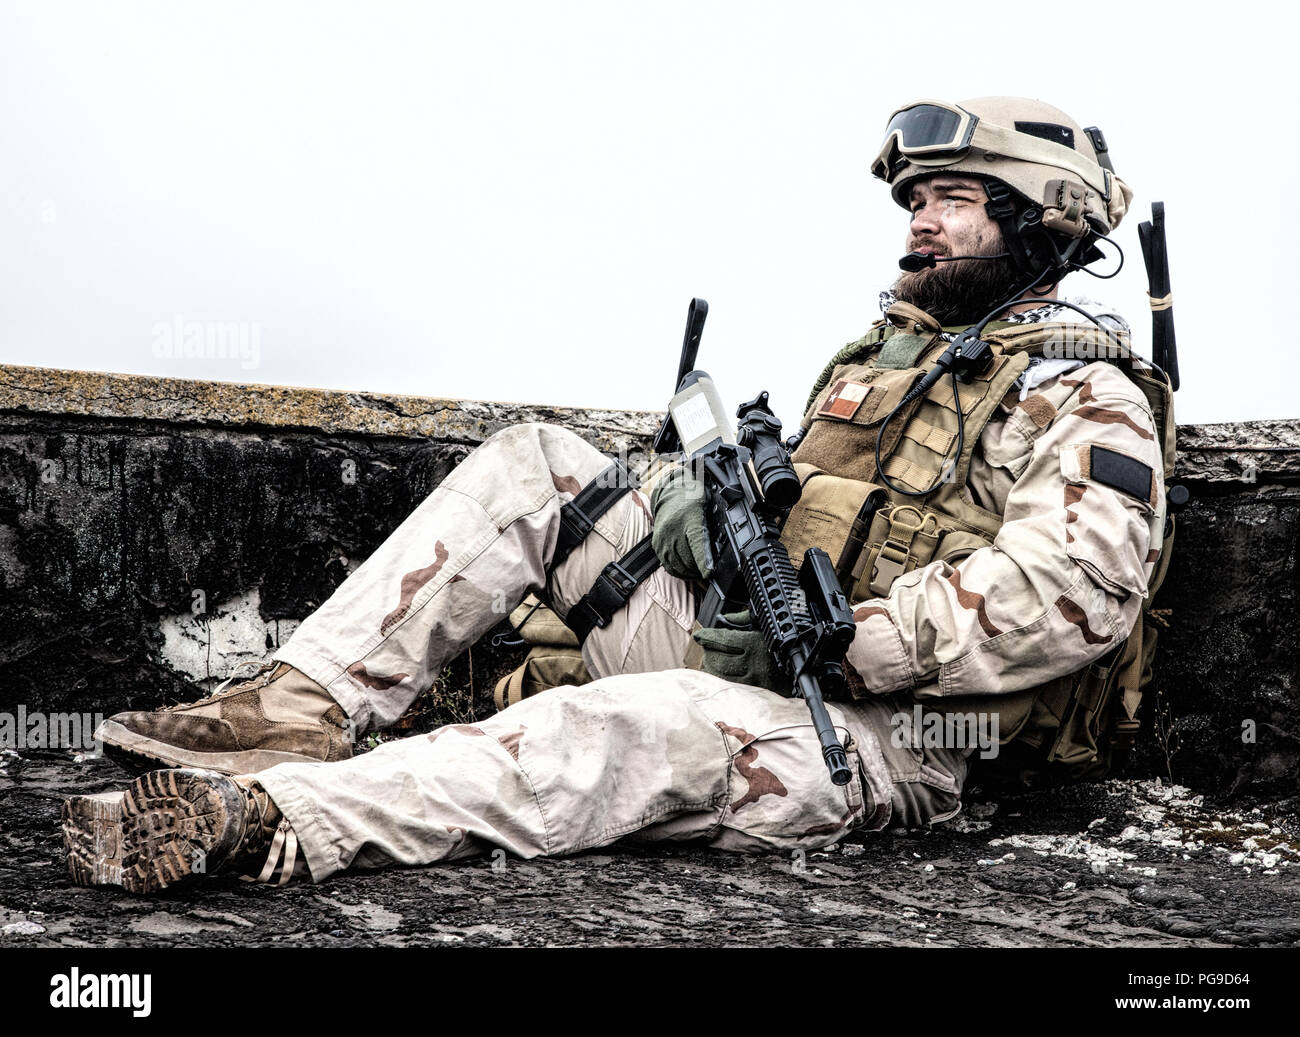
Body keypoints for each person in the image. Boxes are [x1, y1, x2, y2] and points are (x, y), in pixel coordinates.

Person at [62, 97, 1172, 894]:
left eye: (952, 199)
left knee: (628, 726)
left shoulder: (1080, 389)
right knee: (535, 460)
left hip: (878, 741)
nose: (919, 221)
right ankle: (292, 714)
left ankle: (271, 819)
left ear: (1045, 219)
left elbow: (1072, 591)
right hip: (748, 650)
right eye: (916, 199)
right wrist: (683, 499)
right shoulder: (887, 360)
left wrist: (843, 644)